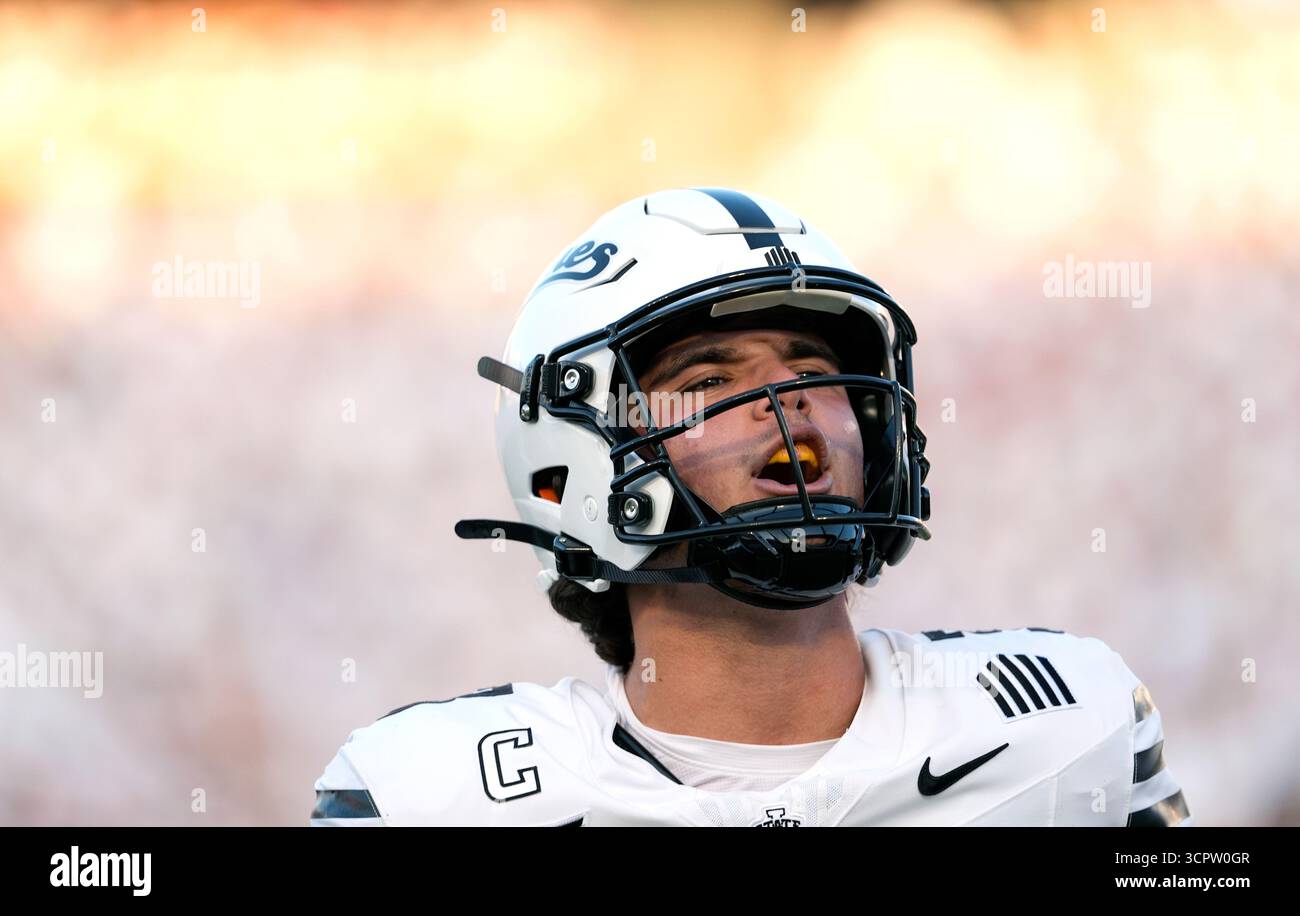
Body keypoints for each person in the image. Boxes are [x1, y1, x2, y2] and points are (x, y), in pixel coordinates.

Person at [311, 188, 1191, 826]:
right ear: (577, 459)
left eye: (812, 369)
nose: (789, 401)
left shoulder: (1070, 727)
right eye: (710, 380)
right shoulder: (427, 799)